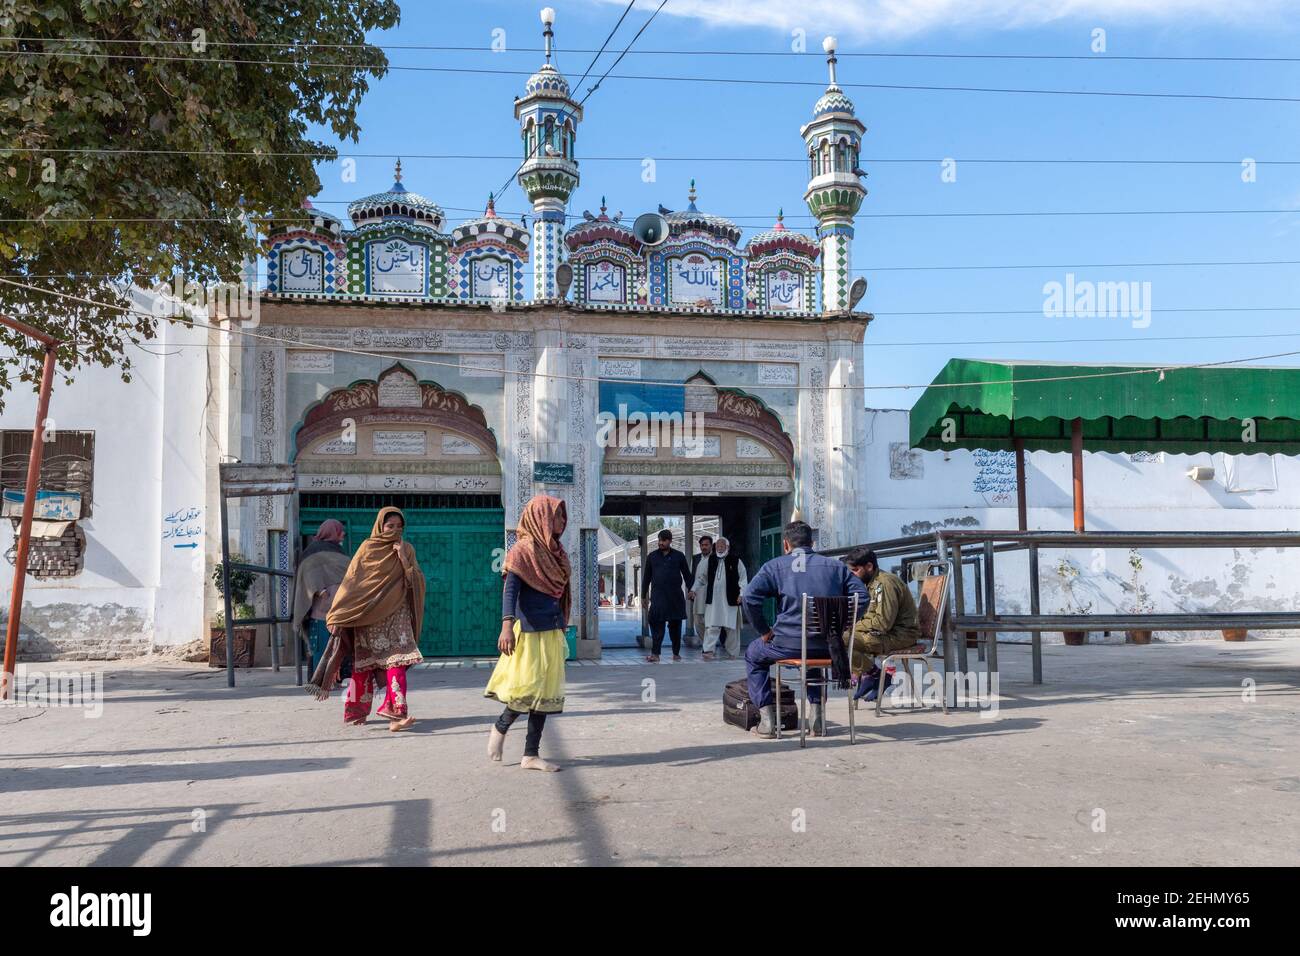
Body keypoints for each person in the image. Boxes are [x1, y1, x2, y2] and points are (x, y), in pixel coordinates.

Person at [741, 520, 868, 738]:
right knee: (813, 654)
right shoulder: (836, 567)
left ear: (786, 545)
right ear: (813, 543)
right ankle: (816, 718)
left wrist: (764, 631)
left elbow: (749, 597)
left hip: (786, 644)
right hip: (828, 646)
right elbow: (862, 597)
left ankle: (767, 720)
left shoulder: (775, 566)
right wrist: (839, 626)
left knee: (754, 654)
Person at [308, 506, 425, 732]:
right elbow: (352, 583)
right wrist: (338, 612)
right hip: (368, 617)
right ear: (380, 526)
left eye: (399, 527)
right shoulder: (366, 549)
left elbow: (415, 581)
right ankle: (355, 712)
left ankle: (395, 709)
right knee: (364, 665)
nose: (395, 531)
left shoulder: (406, 549)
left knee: (397, 660)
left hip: (396, 615)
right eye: (390, 526)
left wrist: (402, 559)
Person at [485, 495, 571, 772]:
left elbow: (561, 592)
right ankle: (500, 728)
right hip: (530, 630)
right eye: (557, 515)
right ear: (541, 517)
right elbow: (510, 591)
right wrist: (506, 625)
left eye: (562, 515)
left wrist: (562, 621)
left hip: (551, 629)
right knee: (526, 689)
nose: (562, 520)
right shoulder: (522, 550)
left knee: (544, 695)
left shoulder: (556, 552)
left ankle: (530, 755)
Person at [845, 547, 921, 704]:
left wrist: (852, 627)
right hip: (886, 634)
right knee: (837, 638)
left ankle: (876, 676)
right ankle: (872, 675)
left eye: (856, 570)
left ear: (869, 566)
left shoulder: (885, 584)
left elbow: (882, 623)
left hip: (900, 635)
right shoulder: (870, 583)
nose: (853, 574)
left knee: (842, 639)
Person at [291, 519, 350, 673]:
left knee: (339, 647)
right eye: (340, 530)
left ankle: (334, 679)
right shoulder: (312, 551)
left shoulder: (339, 551)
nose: (343, 533)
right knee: (321, 647)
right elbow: (306, 575)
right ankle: (320, 680)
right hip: (320, 610)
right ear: (332, 532)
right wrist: (318, 589)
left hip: (341, 610)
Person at [691, 535, 747, 661]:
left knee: (731, 628)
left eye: (722, 546)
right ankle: (708, 650)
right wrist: (693, 589)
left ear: (727, 547)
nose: (720, 548)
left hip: (730, 600)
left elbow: (743, 579)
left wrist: (742, 594)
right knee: (711, 626)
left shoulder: (736, 560)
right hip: (714, 601)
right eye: (718, 546)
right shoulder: (710, 560)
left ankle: (732, 653)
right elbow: (702, 578)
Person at [641, 528, 692, 662]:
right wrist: (643, 596)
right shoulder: (652, 556)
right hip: (658, 597)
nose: (660, 543)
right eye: (659, 540)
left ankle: (676, 653)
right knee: (656, 624)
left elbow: (687, 575)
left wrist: (691, 589)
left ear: (670, 541)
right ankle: (655, 654)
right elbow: (646, 578)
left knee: (675, 627)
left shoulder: (679, 556)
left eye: (663, 540)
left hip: (675, 597)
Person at [688, 535, 713, 643]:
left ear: (711, 546)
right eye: (702, 545)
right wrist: (691, 590)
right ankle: (705, 644)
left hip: (712, 596)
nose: (704, 547)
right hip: (698, 596)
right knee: (698, 622)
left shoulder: (716, 558)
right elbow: (694, 576)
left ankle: (709, 647)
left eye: (706, 545)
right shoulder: (696, 558)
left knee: (710, 623)